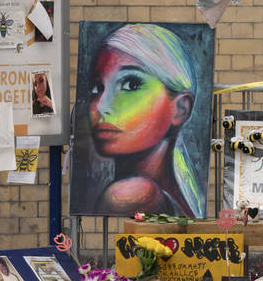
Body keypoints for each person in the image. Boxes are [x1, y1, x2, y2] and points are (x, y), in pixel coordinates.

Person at [86, 24, 204, 218]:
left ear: (180, 108)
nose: (100, 106)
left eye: (131, 85)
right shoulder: (183, 201)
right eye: (97, 88)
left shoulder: (134, 194)